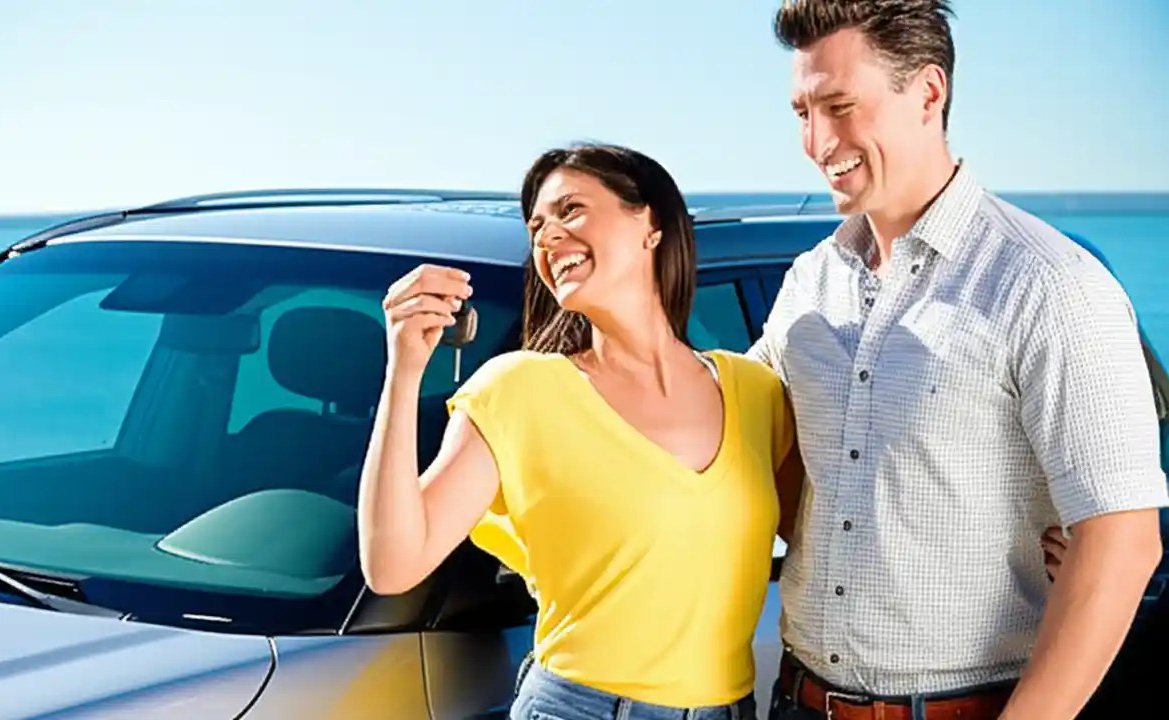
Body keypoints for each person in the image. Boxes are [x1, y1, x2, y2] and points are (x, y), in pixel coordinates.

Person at [753, 2, 1169, 719]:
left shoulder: (1048, 283)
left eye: (840, 106)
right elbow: (714, 416)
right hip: (798, 701)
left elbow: (1124, 544)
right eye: (801, 111)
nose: (817, 141)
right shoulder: (810, 281)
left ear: (928, 92)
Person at [357, 142, 803, 720]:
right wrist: (404, 370)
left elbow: (833, 546)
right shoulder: (519, 390)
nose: (546, 237)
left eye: (570, 211)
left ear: (652, 225)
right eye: (537, 226)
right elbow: (394, 564)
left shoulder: (756, 392)